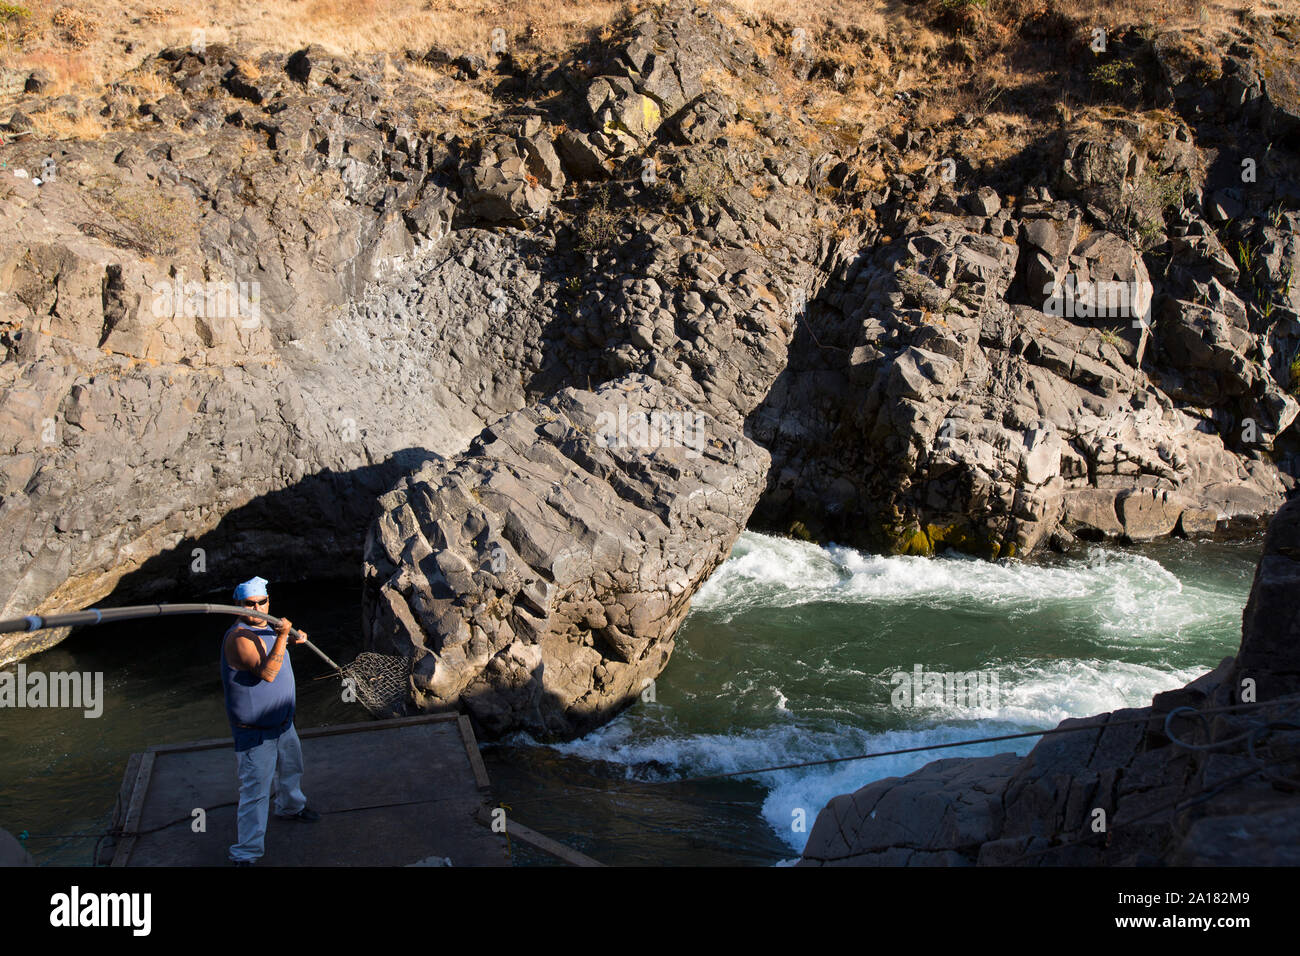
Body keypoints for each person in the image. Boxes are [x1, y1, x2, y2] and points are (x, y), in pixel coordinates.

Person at [221, 576, 319, 865]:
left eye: (261, 602)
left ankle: (291, 807)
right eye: (249, 605)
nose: (256, 609)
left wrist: (293, 636)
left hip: (283, 724)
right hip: (255, 734)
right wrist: (281, 636)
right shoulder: (239, 638)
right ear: (238, 606)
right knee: (255, 792)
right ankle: (246, 853)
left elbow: (278, 640)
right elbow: (267, 673)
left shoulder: (270, 627)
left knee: (292, 770)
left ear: (268, 600)